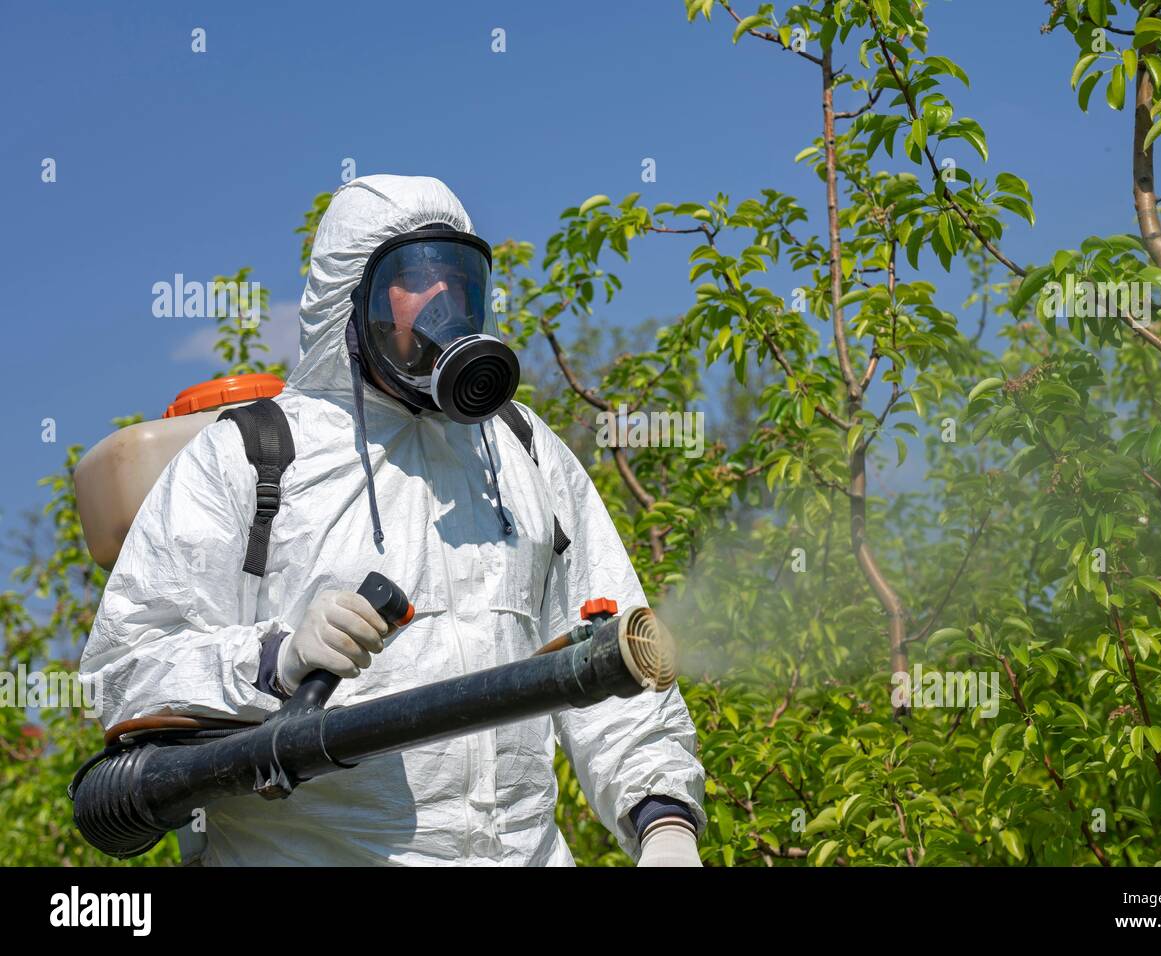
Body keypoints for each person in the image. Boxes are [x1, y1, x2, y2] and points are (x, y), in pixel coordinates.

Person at [80, 174, 706, 866]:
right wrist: (275, 659)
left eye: (459, 275)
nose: (445, 297)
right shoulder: (252, 454)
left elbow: (610, 652)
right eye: (412, 277)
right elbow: (126, 670)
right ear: (351, 301)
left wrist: (663, 819)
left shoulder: (522, 448)